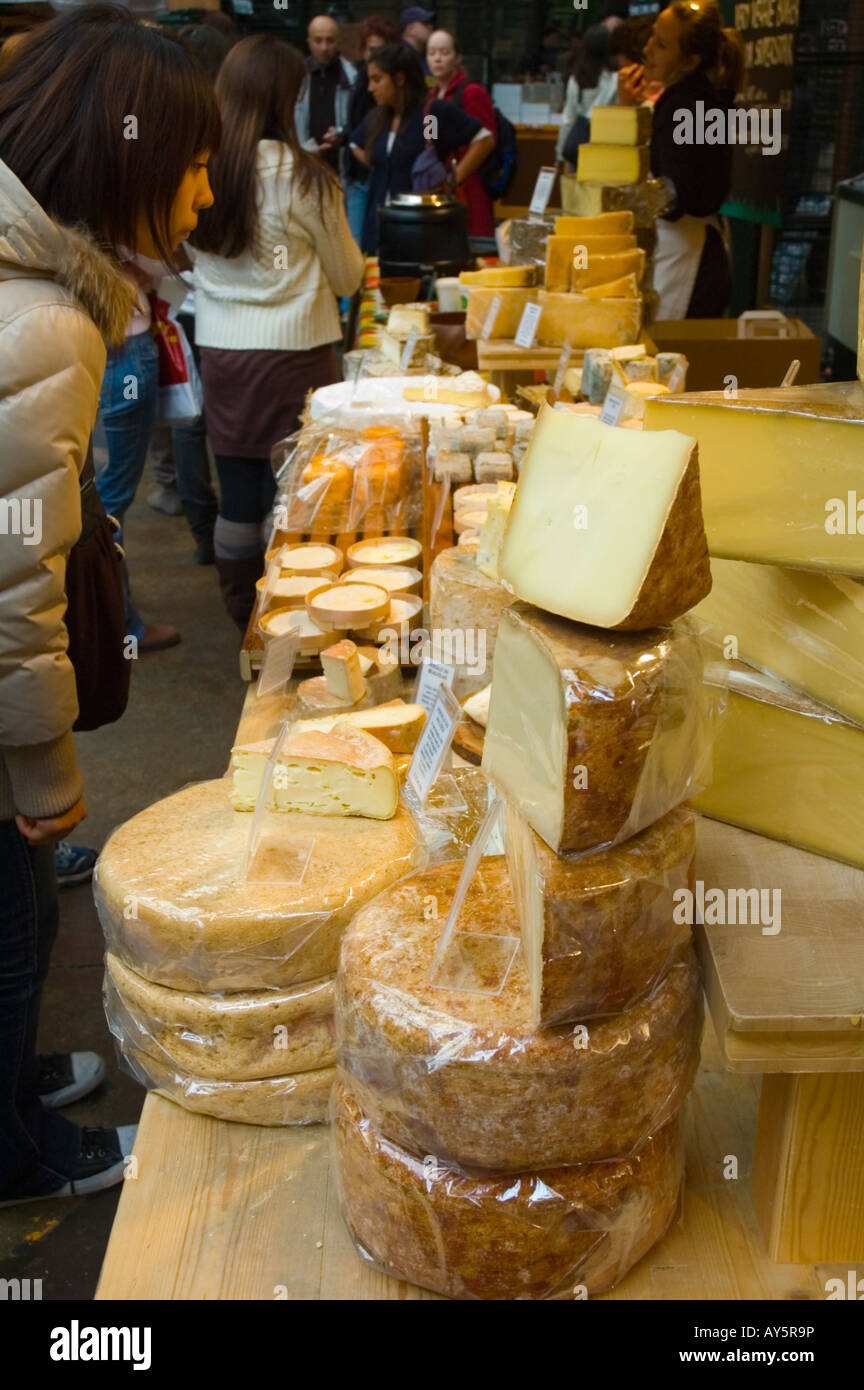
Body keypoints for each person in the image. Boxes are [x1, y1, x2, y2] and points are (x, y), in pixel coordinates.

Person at [0, 3, 218, 1205]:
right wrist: (44, 772)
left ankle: (19, 1096)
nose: (197, 201)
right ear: (123, 156)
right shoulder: (45, 321)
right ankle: (20, 1159)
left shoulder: (32, 273)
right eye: (190, 168)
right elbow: (12, 572)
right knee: (15, 927)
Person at [189, 36, 363, 631]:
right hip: (299, 356)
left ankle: (243, 614)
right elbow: (346, 277)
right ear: (289, 97)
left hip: (223, 353)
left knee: (236, 489)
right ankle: (290, 620)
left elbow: (181, 258)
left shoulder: (199, 171)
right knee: (298, 493)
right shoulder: (308, 179)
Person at [618, 0, 745, 319]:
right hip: (694, 247)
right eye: (651, 38)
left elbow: (682, 193)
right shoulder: (696, 97)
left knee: (674, 360)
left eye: (661, 45)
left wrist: (628, 200)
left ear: (689, 61)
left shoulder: (685, 105)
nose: (647, 49)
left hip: (689, 255)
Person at [349, 43, 495, 256]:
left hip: (421, 231)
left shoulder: (430, 118)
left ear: (399, 79)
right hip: (379, 230)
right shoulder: (378, 118)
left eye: (377, 79)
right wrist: (381, 164)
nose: (371, 88)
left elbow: (483, 140)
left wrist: (453, 180)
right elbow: (354, 144)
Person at [294, 14, 359, 249]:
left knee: (345, 241)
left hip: (342, 170)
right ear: (309, 41)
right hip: (305, 166)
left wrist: (343, 133)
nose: (324, 47)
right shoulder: (297, 76)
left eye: (329, 40)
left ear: (338, 41)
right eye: (318, 40)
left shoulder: (352, 78)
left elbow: (360, 124)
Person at [426, 29, 496, 238]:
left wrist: (454, 180)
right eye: (432, 53)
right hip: (440, 184)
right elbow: (430, 139)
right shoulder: (430, 95)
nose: (437, 58)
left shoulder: (472, 91)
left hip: (470, 184)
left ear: (458, 58)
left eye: (444, 52)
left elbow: (488, 140)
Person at [345, 14, 401, 245]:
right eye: (371, 50)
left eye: (381, 50)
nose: (372, 88)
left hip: (396, 188)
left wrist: (455, 175)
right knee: (360, 247)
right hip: (361, 179)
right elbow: (353, 139)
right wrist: (376, 161)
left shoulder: (429, 111)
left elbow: (432, 142)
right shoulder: (360, 83)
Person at [556, 23, 619, 169]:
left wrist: (560, 154)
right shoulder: (617, 78)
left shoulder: (577, 79)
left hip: (579, 150)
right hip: (607, 149)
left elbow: (568, 120)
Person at [400, 6, 435, 76]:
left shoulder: (425, 56)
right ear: (410, 29)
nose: (431, 27)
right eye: (425, 23)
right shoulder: (400, 57)